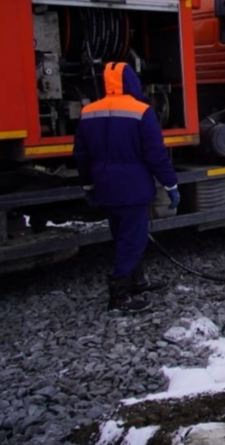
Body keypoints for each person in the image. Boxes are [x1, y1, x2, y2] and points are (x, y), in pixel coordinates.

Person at [73, 61, 180, 313]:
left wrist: (88, 185)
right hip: (133, 188)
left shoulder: (89, 111)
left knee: (123, 236)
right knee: (134, 239)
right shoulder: (141, 111)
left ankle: (137, 280)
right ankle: (119, 295)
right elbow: (155, 154)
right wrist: (170, 184)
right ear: (132, 82)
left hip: (105, 187)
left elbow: (81, 154)